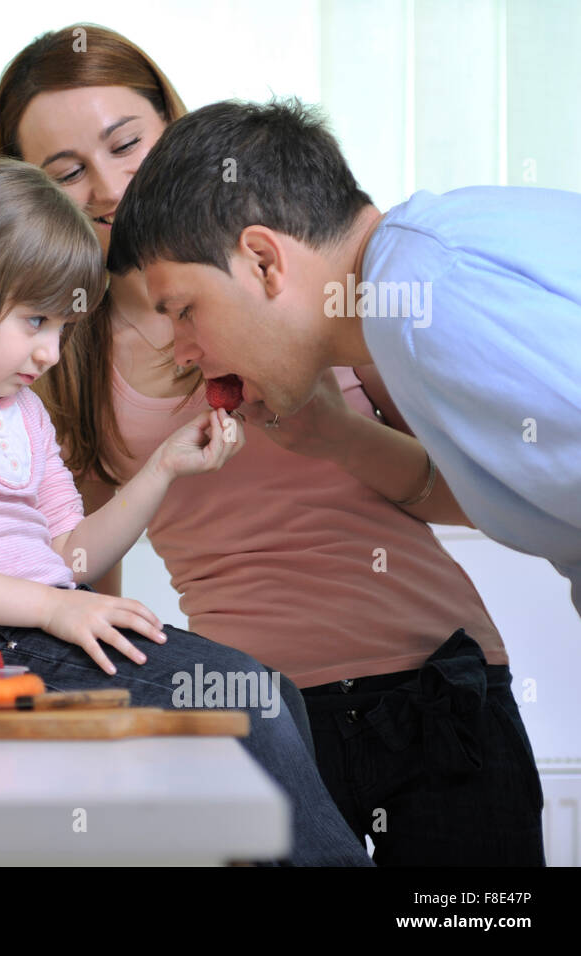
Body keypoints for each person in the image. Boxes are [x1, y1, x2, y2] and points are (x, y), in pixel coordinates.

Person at [0, 24, 545, 865]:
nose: (108, 186)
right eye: (67, 172)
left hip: (436, 687)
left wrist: (336, 435)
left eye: (126, 144)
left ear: (173, 131)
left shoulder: (328, 279)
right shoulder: (55, 351)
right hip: (256, 714)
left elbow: (462, 492)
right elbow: (81, 570)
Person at [0, 157, 373, 866]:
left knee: (270, 696)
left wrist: (164, 466)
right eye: (35, 321)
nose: (50, 352)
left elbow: (70, 553)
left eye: (63, 328)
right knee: (252, 704)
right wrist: (53, 609)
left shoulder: (18, 411)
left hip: (41, 629)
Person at [108, 96, 581, 621]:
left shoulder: (424, 302)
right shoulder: (422, 266)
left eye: (185, 310)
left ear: (263, 262)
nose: (183, 351)